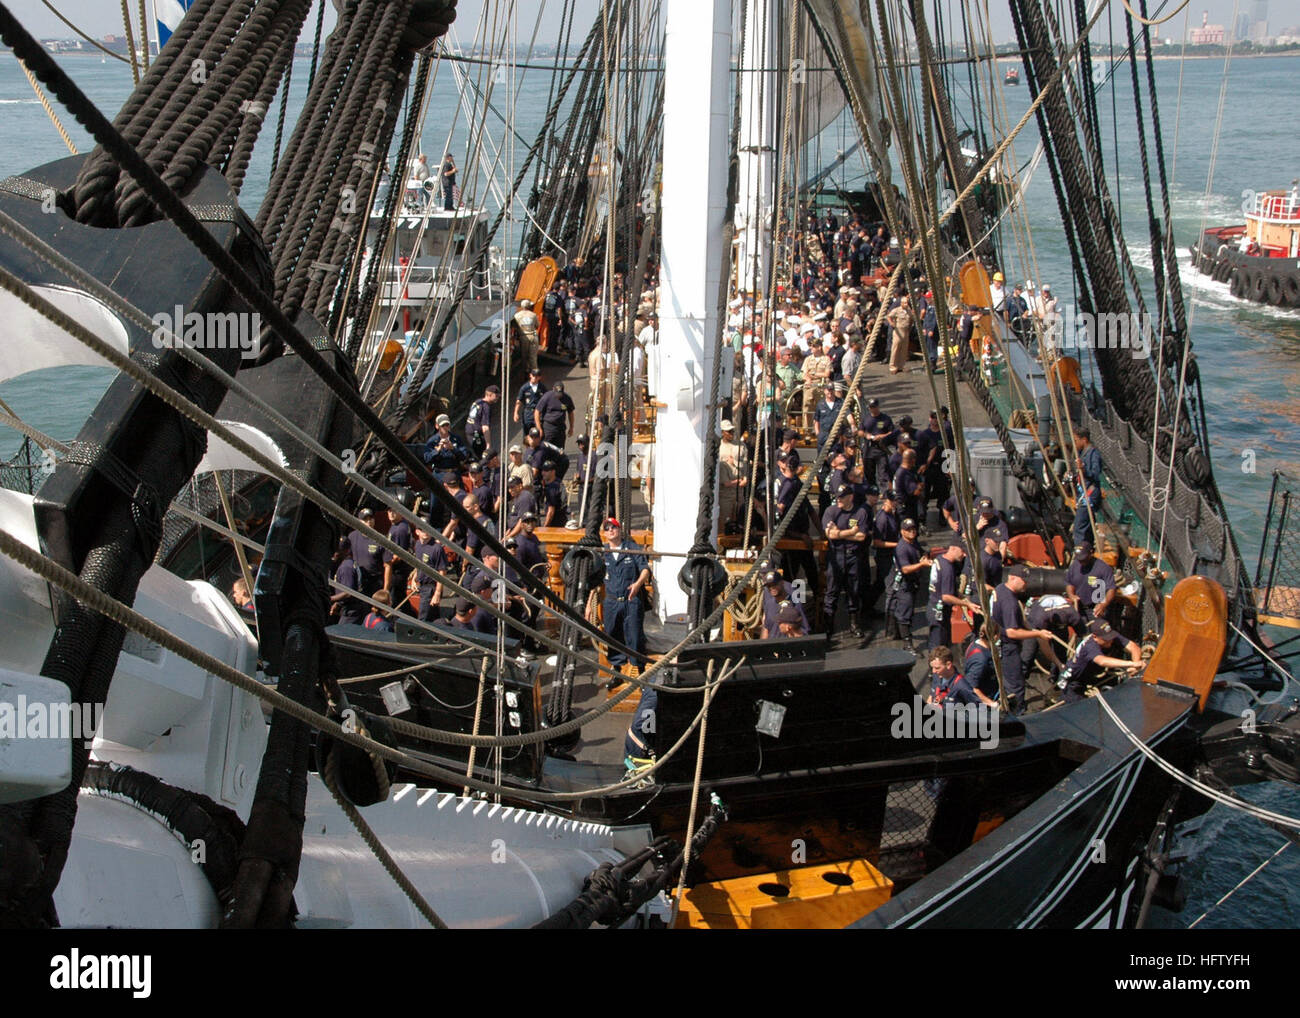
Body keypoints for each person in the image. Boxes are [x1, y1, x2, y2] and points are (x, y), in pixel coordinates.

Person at [989, 567, 1052, 716]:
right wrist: (1037, 633)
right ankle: (1017, 715)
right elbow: (1012, 632)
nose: (1026, 584)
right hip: (1008, 648)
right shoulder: (1010, 602)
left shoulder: (1000, 589)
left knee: (1004, 680)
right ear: (1013, 578)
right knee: (1016, 685)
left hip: (997, 643)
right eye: (1024, 580)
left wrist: (1029, 627)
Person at [601, 518, 650, 686]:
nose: (610, 530)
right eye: (607, 528)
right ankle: (617, 672)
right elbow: (596, 579)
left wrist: (637, 584)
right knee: (613, 636)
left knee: (635, 636)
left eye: (613, 527)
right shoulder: (602, 552)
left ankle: (641, 673)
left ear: (619, 529)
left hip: (631, 601)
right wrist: (589, 605)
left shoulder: (632, 548)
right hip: (612, 602)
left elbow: (644, 569)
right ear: (604, 533)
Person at [822, 483, 869, 638]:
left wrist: (840, 532)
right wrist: (851, 532)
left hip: (852, 556)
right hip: (836, 556)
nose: (839, 500)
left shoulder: (861, 512)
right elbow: (830, 534)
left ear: (851, 497)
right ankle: (828, 626)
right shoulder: (831, 511)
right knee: (832, 591)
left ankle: (854, 624)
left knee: (853, 590)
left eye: (842, 497)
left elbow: (862, 536)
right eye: (838, 497)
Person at [1059, 619, 1144, 703]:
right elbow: (1102, 661)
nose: (1110, 641)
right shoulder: (1090, 646)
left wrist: (1135, 667)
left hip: (1093, 675)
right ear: (1095, 637)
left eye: (1110, 637)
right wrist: (1131, 663)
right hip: (1073, 682)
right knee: (1079, 711)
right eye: (1106, 639)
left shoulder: (1110, 635)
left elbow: (1133, 647)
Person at [927, 542, 978, 653]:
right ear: (953, 548)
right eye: (963, 552)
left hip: (933, 605)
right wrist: (967, 604)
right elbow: (946, 597)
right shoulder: (947, 569)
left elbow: (946, 588)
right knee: (938, 649)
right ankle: (935, 669)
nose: (964, 555)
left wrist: (962, 596)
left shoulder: (940, 559)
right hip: (939, 612)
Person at [891, 518, 931, 653]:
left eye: (913, 529)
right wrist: (921, 564)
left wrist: (925, 555)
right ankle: (907, 643)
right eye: (908, 530)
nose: (912, 532)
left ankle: (897, 633)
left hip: (913, 582)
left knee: (907, 610)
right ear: (902, 532)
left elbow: (921, 551)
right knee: (905, 612)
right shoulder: (902, 548)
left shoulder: (913, 543)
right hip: (904, 584)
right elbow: (905, 569)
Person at [1065, 540, 1117, 619]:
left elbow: (1111, 589)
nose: (1081, 562)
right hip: (1078, 607)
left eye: (1083, 559)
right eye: (1079, 559)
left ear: (1091, 553)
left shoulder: (1103, 568)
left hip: (1095, 609)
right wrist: (1072, 595)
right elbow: (1069, 583)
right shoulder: (1075, 565)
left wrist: (1103, 604)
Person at [411, 522, 448, 622]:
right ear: (417, 532)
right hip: (422, 585)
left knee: (423, 618)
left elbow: (442, 572)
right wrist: (414, 579)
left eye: (427, 529)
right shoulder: (417, 544)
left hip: (431, 587)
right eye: (422, 529)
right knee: (433, 617)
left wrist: (437, 593)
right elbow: (419, 564)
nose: (425, 532)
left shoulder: (437, 548)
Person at [1071, 426, 1103, 546]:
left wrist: (1083, 469)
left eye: (1076, 440)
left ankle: (1080, 554)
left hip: (1089, 495)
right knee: (1087, 528)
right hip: (1082, 494)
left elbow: (1095, 473)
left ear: (1084, 440)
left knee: (1079, 527)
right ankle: (1087, 548)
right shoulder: (1082, 453)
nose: (1075, 443)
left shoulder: (1094, 454)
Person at [717, 419, 748, 531]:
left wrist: (746, 478)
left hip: (739, 491)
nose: (731, 433)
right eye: (728, 431)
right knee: (724, 520)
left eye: (732, 431)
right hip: (725, 492)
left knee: (740, 519)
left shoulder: (741, 446)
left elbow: (745, 465)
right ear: (722, 432)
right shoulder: (718, 447)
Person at [382, 502, 414, 610]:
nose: (391, 513)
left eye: (394, 511)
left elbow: (399, 555)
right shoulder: (396, 525)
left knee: (396, 599)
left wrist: (386, 564)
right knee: (400, 597)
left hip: (398, 571)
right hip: (398, 570)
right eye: (389, 511)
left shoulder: (400, 529)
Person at [759, 569, 808, 639]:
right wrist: (762, 647)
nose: (772, 588)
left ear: (782, 583)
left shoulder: (794, 602)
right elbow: (766, 628)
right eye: (769, 586)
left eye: (774, 584)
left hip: (788, 646)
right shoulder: (769, 605)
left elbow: (803, 629)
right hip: (772, 646)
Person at [347, 508, 384, 596]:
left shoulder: (381, 539)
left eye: (370, 519)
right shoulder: (352, 536)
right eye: (365, 519)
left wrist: (385, 589)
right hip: (357, 578)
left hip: (375, 581)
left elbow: (388, 564)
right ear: (359, 521)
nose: (369, 522)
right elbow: (347, 556)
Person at [534, 382, 576, 449]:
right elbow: (537, 412)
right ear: (553, 389)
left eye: (560, 394)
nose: (558, 395)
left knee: (559, 450)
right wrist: (539, 428)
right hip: (548, 428)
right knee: (546, 448)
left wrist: (571, 427)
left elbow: (570, 413)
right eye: (557, 393)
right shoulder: (547, 397)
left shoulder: (567, 398)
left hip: (560, 428)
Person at [331, 545, 365, 626]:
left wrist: (330, 599)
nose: (334, 554)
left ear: (346, 551)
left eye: (337, 551)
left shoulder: (345, 568)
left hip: (351, 611)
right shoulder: (350, 563)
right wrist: (338, 604)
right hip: (351, 608)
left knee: (340, 636)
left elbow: (348, 592)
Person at [465, 384, 501, 459]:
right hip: (476, 435)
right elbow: (485, 428)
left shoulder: (477, 402)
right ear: (490, 395)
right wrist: (488, 445)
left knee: (478, 454)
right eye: (496, 396)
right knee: (484, 456)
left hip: (469, 432)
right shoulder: (486, 407)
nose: (498, 398)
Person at [886, 295, 913, 374]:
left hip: (906, 331)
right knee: (895, 349)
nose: (906, 304)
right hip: (898, 331)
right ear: (901, 303)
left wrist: (910, 327)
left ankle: (901, 365)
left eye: (907, 303)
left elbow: (911, 318)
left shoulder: (909, 310)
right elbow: (889, 316)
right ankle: (892, 366)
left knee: (904, 349)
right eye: (904, 303)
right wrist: (892, 324)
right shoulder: (897, 310)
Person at [513, 300, 540, 373]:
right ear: (529, 306)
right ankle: (535, 373)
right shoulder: (533, 315)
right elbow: (537, 326)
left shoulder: (517, 316)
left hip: (523, 337)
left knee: (524, 356)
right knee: (533, 356)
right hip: (533, 336)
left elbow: (515, 327)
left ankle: (525, 372)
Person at [539, 460, 568, 528]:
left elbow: (551, 511)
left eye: (546, 471)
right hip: (562, 520)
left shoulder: (552, 488)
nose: (543, 473)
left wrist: (545, 527)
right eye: (543, 470)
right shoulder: (558, 482)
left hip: (555, 524)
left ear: (553, 472)